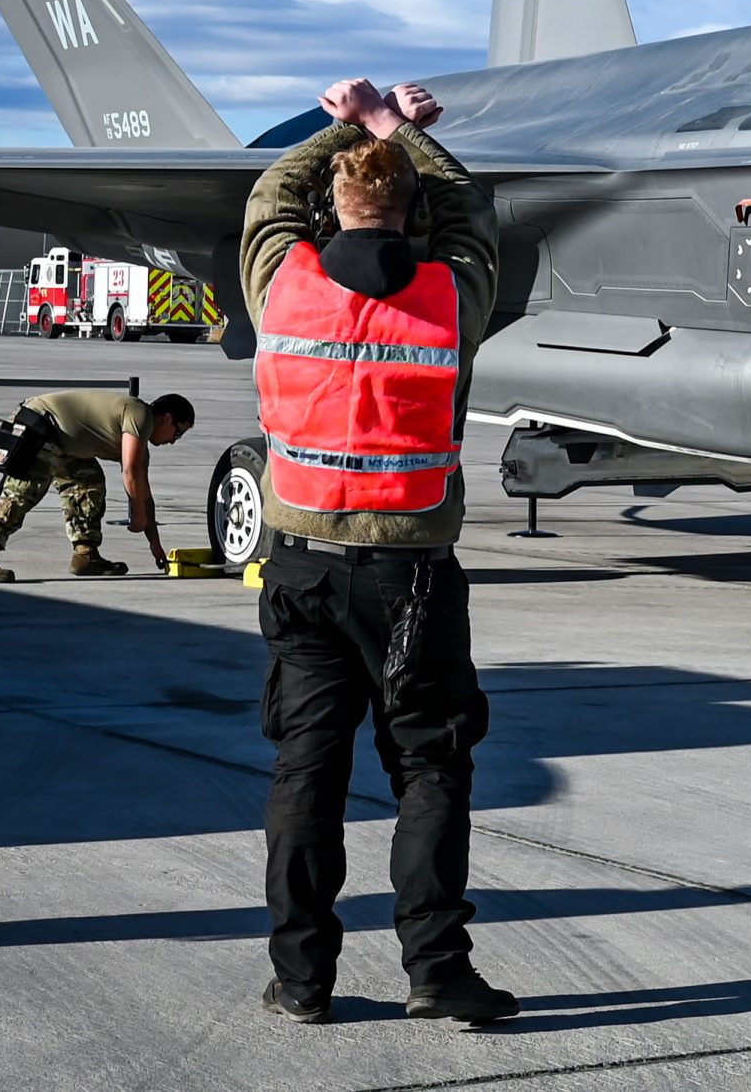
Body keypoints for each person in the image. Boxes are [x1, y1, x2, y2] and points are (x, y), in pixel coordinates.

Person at [241, 76, 507, 1027]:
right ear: (409, 211)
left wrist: (342, 124)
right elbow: (472, 215)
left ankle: (301, 979)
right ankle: (437, 971)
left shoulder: (282, 284)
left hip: (302, 562)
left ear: (335, 204)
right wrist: (398, 129)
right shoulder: (449, 297)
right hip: (412, 578)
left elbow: (270, 197)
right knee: (430, 769)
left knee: (307, 773)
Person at [0, 390, 195, 581]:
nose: (173, 441)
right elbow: (130, 471)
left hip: (63, 441)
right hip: (40, 423)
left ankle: (85, 555)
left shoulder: (140, 440)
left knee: (89, 483)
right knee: (26, 490)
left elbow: (145, 495)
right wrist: (138, 515)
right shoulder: (140, 414)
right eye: (178, 433)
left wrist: (155, 544)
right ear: (167, 418)